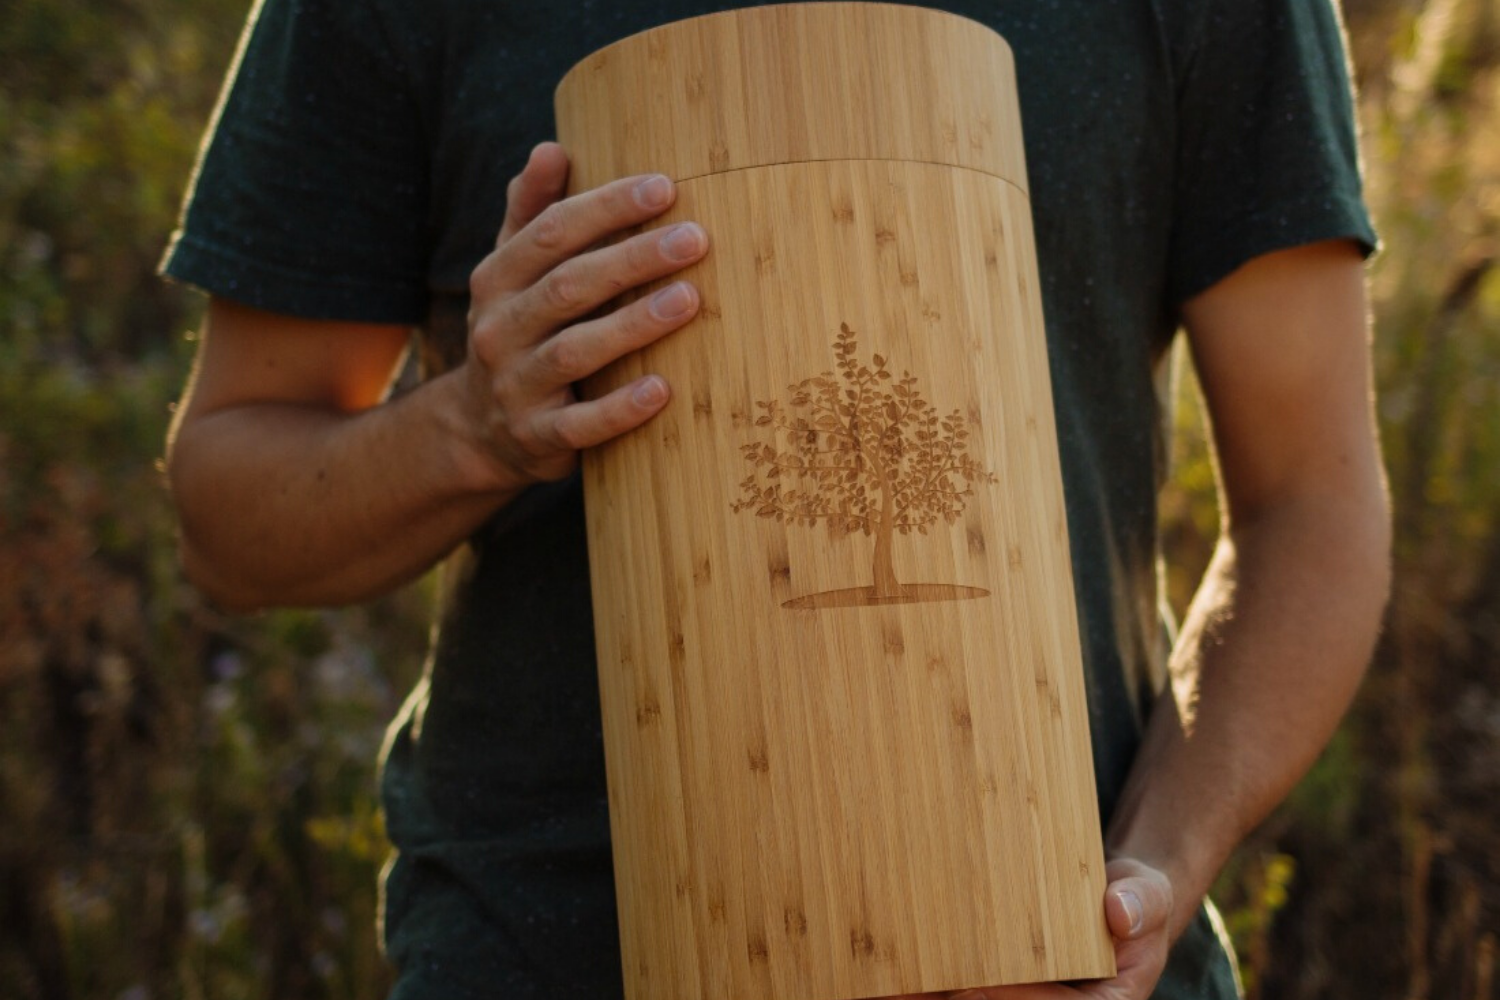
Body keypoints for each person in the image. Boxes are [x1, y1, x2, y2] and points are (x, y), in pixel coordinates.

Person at [160, 0, 1391, 997]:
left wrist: (1151, 871)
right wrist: (474, 427)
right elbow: (227, 513)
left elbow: (1310, 503)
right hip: (532, 954)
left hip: (1053, 960)